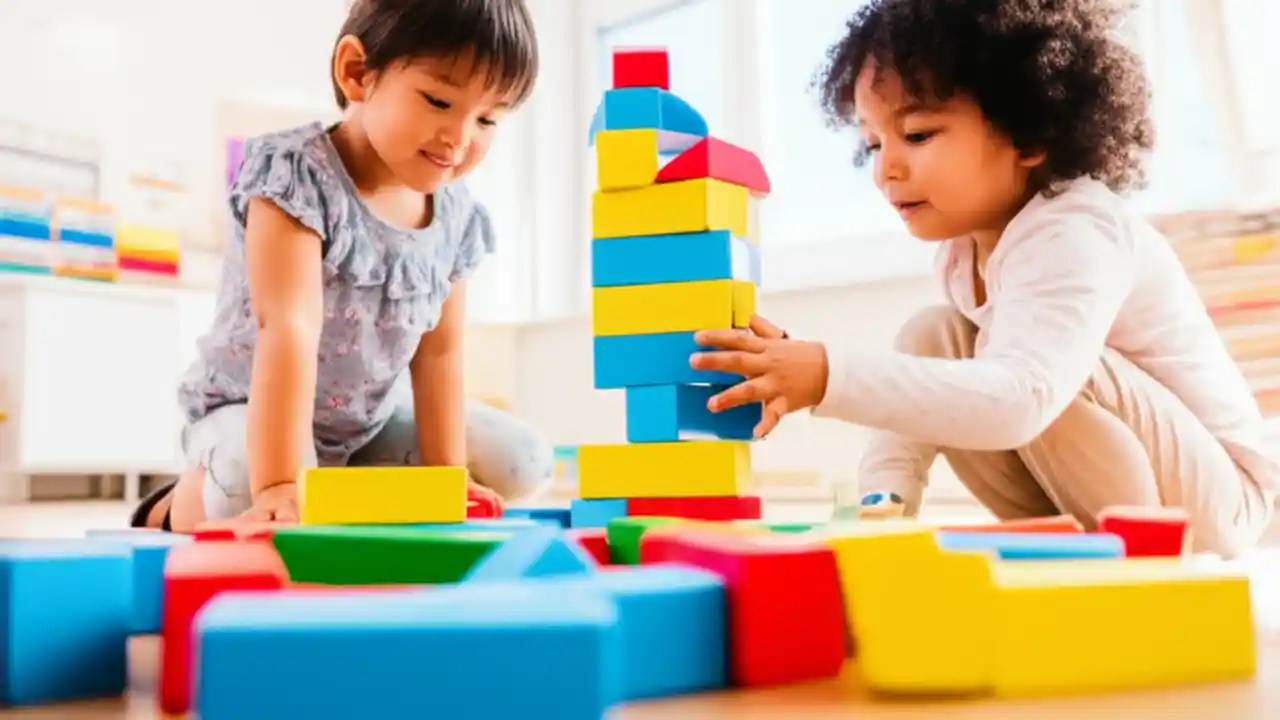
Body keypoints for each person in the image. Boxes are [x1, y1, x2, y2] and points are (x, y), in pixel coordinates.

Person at [690, 0, 1278, 557]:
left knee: (1033, 377)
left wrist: (827, 375)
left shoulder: (1075, 228)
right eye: (873, 143)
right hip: (1099, 484)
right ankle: (886, 511)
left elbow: (1022, 399)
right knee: (935, 334)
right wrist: (883, 487)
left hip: (1217, 504)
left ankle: (1138, 558)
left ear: (1029, 133)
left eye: (917, 135)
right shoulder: (962, 254)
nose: (885, 169)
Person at [132, 0, 553, 532]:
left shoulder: (456, 215)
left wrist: (445, 480)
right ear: (357, 72)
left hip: (368, 425)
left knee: (523, 462)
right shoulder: (295, 176)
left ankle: (338, 484)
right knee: (248, 488)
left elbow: (440, 355)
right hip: (250, 411)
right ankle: (171, 506)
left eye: (488, 118)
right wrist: (280, 484)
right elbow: (289, 327)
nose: (461, 138)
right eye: (438, 100)